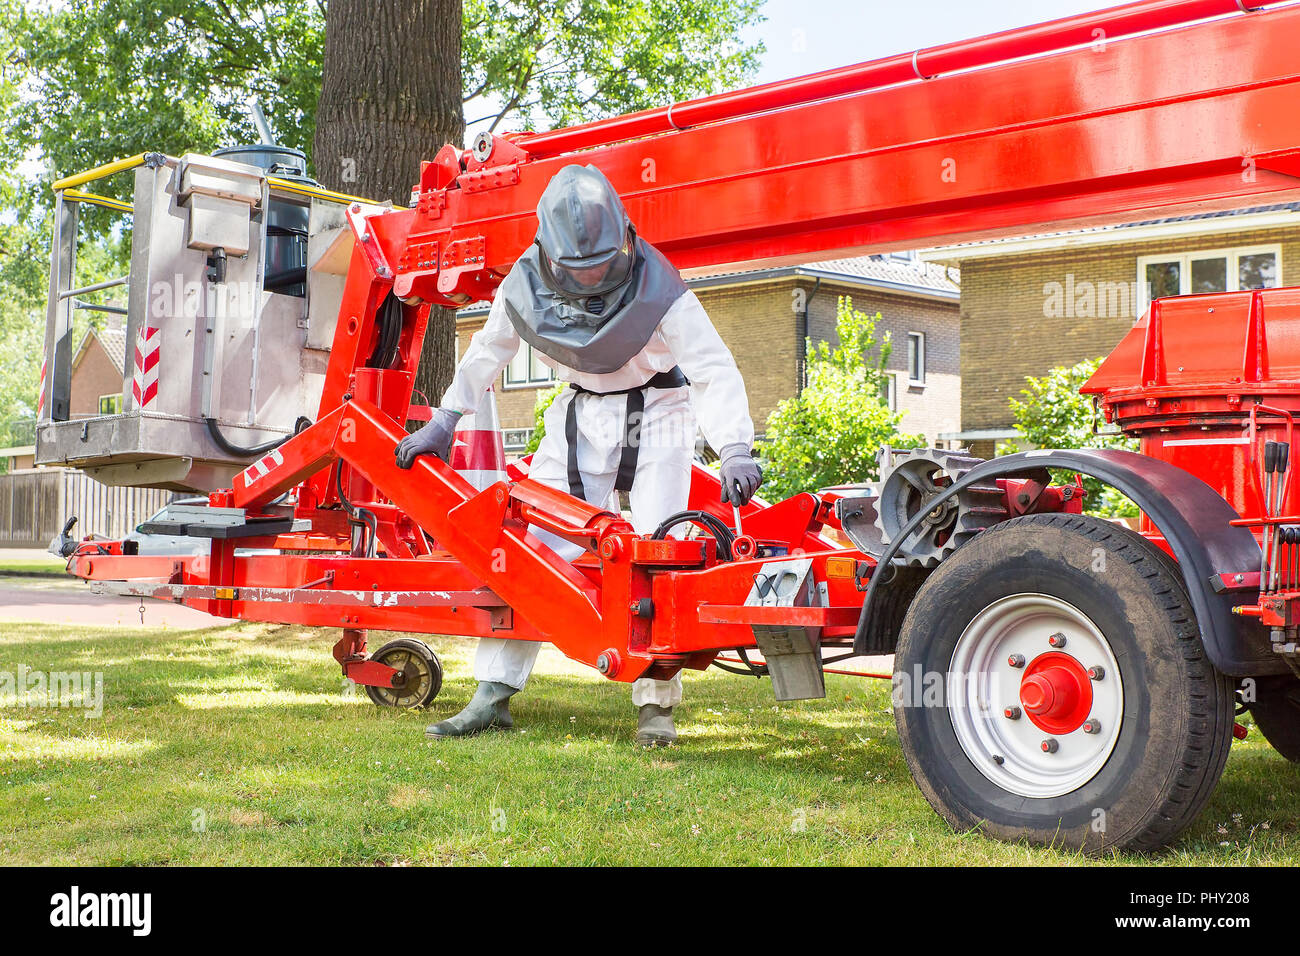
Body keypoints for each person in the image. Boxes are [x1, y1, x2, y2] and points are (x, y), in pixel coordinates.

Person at [395, 163, 761, 747]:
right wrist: (447, 417)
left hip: (658, 410)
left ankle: (655, 706)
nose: (594, 277)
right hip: (578, 414)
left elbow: (712, 367)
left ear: (625, 241)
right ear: (548, 254)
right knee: (526, 545)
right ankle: (493, 693)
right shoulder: (523, 282)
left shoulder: (659, 284)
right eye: (580, 268)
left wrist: (735, 447)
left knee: (656, 550)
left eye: (602, 265)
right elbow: (489, 350)